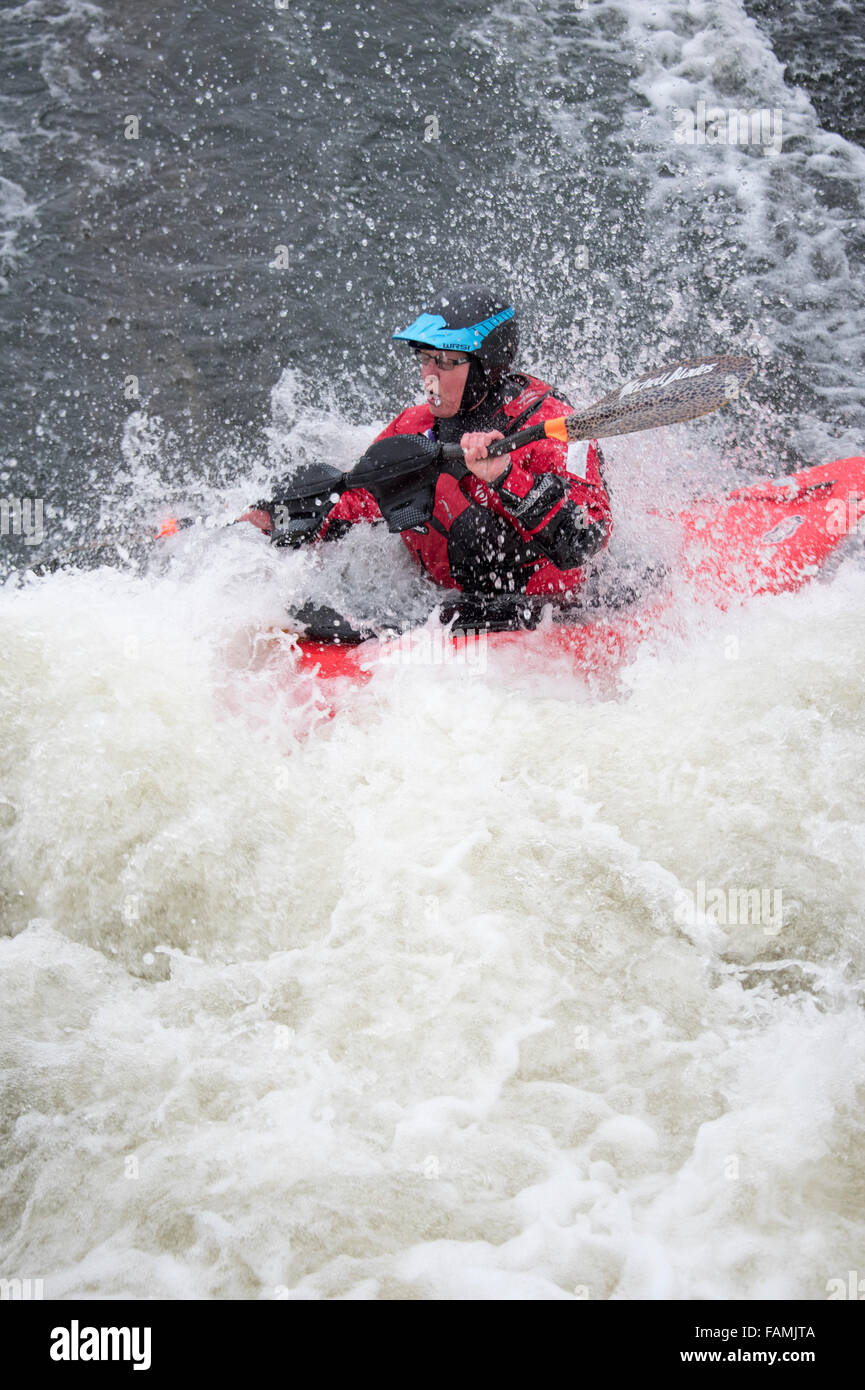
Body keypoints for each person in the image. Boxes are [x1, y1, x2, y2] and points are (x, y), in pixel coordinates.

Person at [244, 284, 613, 598]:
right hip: (445, 607)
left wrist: (505, 477)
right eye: (424, 359)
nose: (430, 377)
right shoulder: (413, 426)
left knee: (475, 531)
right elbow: (362, 498)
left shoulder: (553, 428)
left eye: (447, 362)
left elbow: (585, 540)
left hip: (543, 611)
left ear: (488, 364)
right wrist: (278, 522)